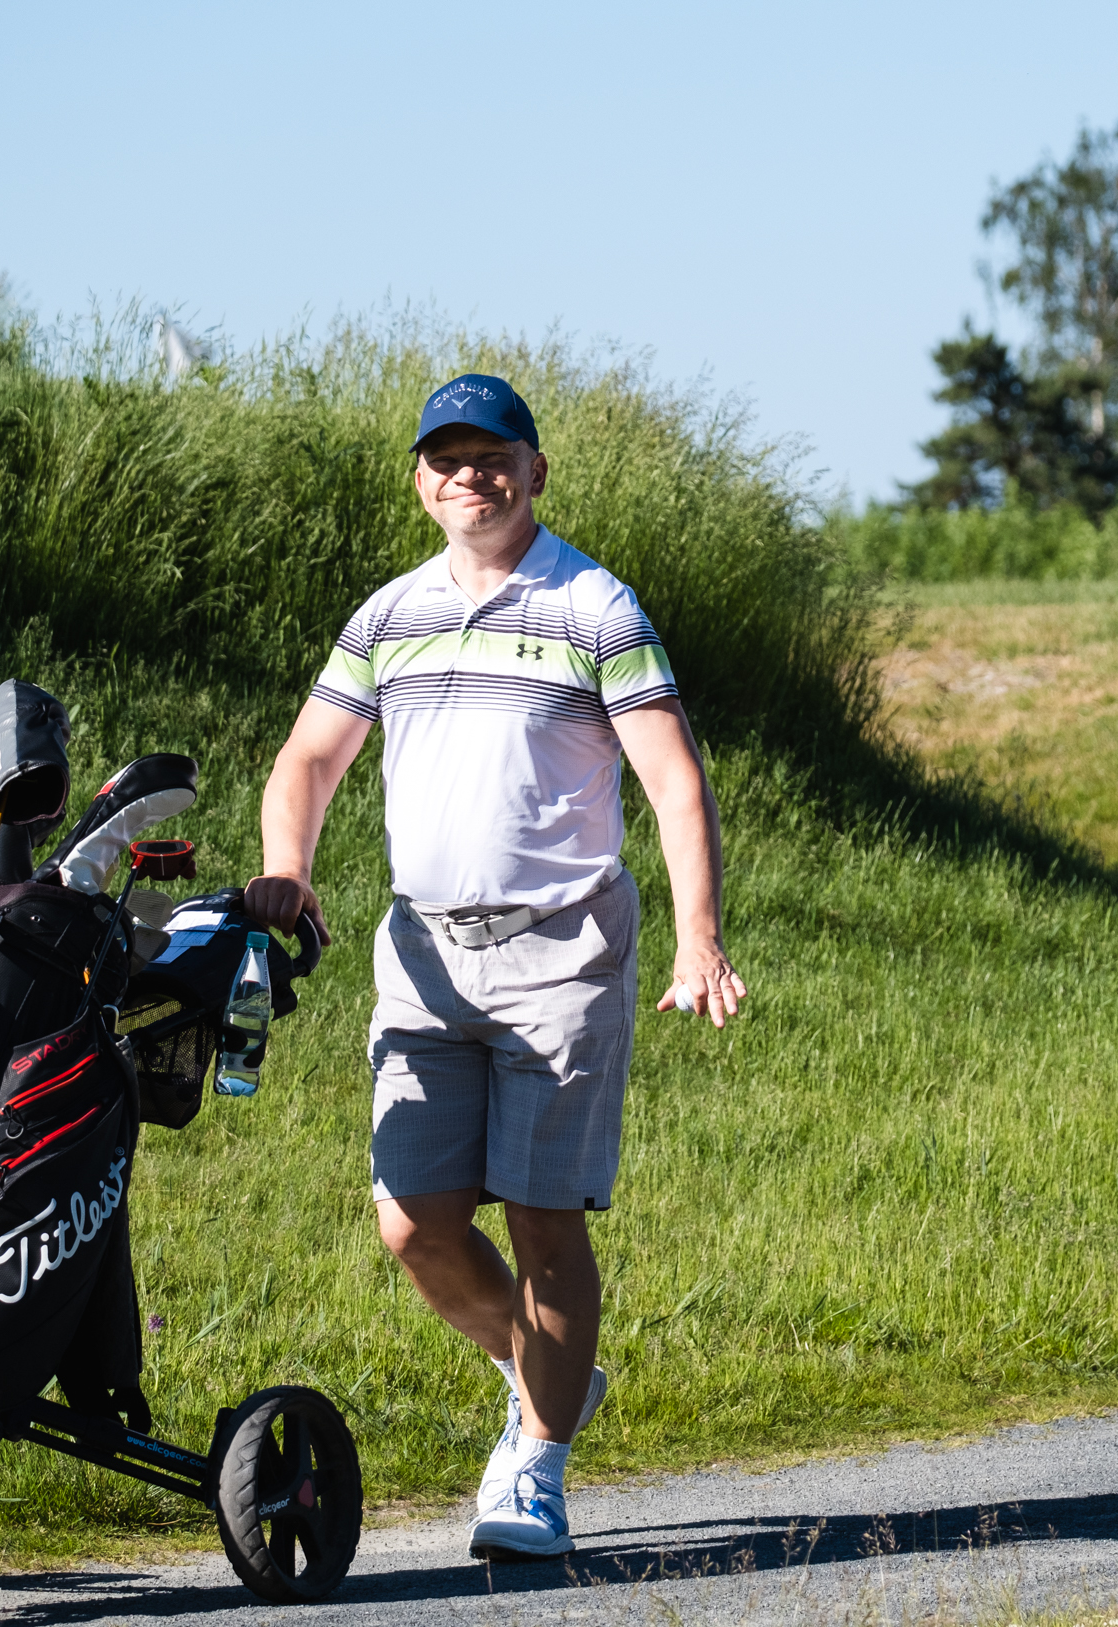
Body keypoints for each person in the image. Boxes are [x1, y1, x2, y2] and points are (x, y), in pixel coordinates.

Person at [245, 372, 748, 1559]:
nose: (470, 474)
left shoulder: (594, 606)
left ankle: (537, 1462)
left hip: (562, 955)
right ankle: (550, 1375)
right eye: (448, 457)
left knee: (542, 1222)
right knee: (411, 1223)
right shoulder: (389, 615)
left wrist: (699, 936)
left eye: (493, 455)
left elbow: (673, 780)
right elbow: (308, 759)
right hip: (423, 956)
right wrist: (286, 869)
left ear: (534, 471)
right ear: (421, 482)